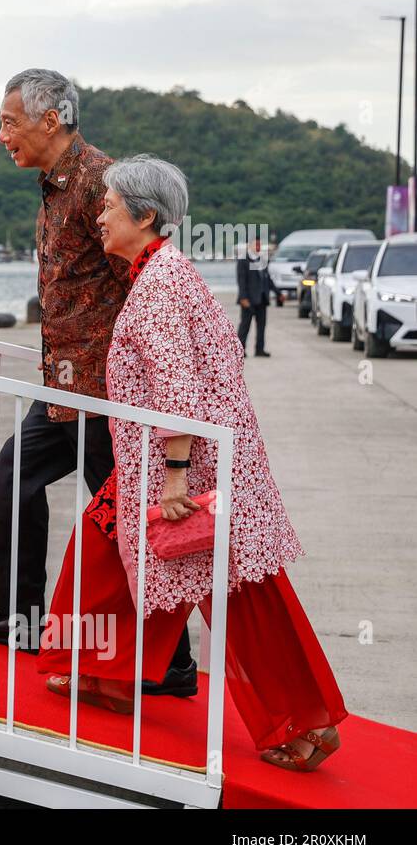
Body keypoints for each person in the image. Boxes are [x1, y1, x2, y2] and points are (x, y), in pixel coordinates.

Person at [38, 155, 346, 771]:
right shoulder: (168, 273)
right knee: (105, 547)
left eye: (110, 205)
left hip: (186, 471)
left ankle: (301, 725)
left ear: (145, 216)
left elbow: (177, 386)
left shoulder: (159, 286)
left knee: (242, 597)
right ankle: (99, 672)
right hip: (179, 463)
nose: (99, 214)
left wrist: (176, 478)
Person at [0, 68, 194, 694]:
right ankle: (18, 618)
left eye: (9, 121)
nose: (1, 134)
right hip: (65, 387)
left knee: (129, 518)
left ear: (50, 119)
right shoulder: (54, 185)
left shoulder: (99, 185)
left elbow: (139, 281)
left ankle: (171, 664)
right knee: (18, 472)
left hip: (104, 392)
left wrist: (143, 378)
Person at [236, 238, 272, 357]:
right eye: (256, 244)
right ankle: (240, 350)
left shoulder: (262, 260)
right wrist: (243, 297)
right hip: (249, 299)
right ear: (249, 246)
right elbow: (241, 280)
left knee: (261, 327)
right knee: (245, 326)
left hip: (262, 299)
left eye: (259, 245)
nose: (258, 247)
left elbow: (267, 279)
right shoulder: (243, 260)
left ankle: (259, 349)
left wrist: (278, 293)